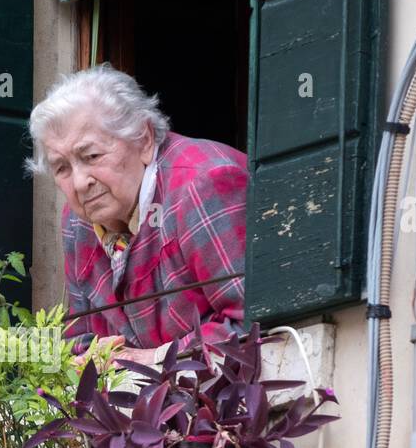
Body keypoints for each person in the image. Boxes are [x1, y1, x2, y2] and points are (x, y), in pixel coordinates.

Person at [26, 63, 249, 368]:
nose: (79, 183)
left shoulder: (203, 184)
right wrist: (90, 361)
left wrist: (155, 359)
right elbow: (78, 341)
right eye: (62, 168)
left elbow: (251, 323)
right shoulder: (78, 223)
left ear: (143, 140)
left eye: (91, 156)